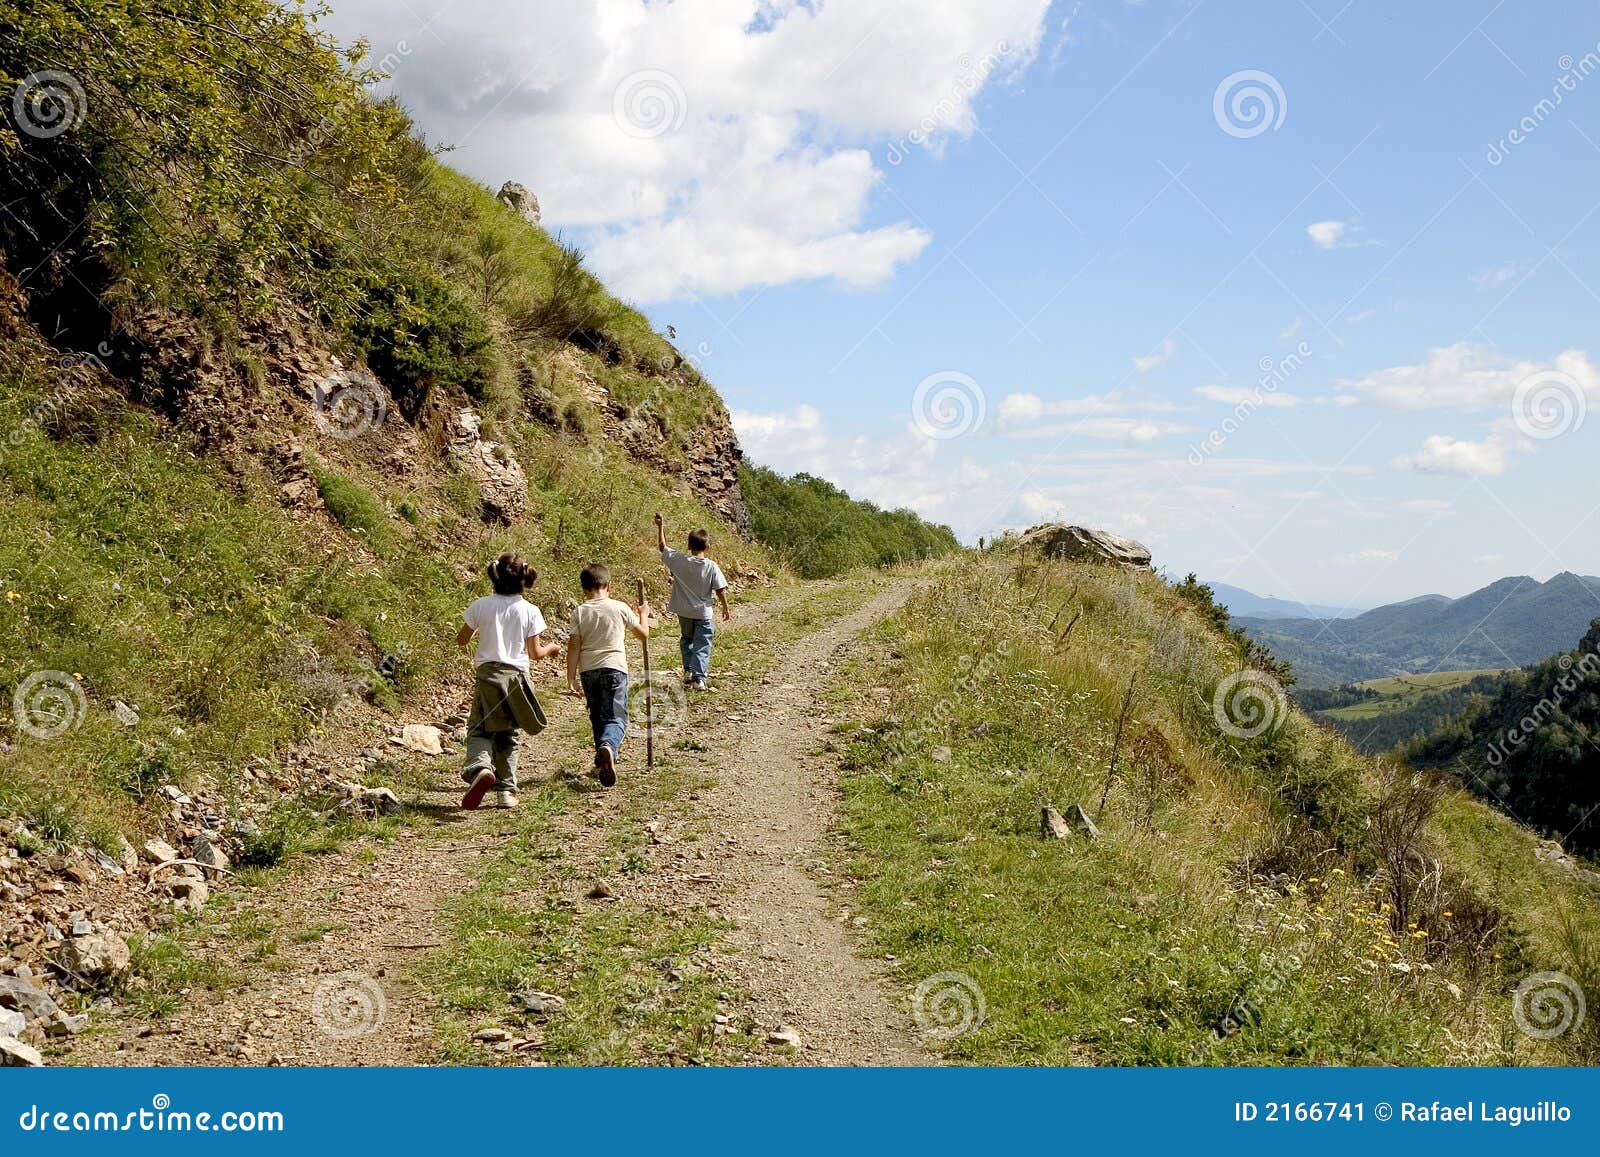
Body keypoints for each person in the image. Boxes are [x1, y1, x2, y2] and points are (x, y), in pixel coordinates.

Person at [455, 554, 558, 810]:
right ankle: (507, 792)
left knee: (480, 728)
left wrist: (481, 627)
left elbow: (462, 639)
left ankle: (480, 767)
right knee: (509, 734)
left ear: (495, 576)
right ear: (524, 579)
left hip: (488, 676)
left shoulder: (481, 605)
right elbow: (535, 653)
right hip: (516, 679)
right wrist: (552, 648)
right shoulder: (530, 611)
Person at [565, 563, 652, 788]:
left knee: (597, 716)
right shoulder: (619, 607)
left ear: (584, 589)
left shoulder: (580, 611)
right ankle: (609, 748)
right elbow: (643, 635)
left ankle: (601, 761)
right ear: (608, 585)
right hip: (614, 668)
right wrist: (643, 615)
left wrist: (571, 676)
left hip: (588, 671)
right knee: (617, 717)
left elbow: (573, 646)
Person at [655, 513, 730, 691]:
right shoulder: (711, 566)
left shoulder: (680, 560)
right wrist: (725, 606)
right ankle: (699, 679)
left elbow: (662, 547)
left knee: (687, 639)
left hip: (684, 611)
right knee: (702, 644)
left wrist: (660, 526)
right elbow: (719, 589)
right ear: (708, 546)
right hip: (703, 612)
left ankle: (688, 670)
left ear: (688, 546)